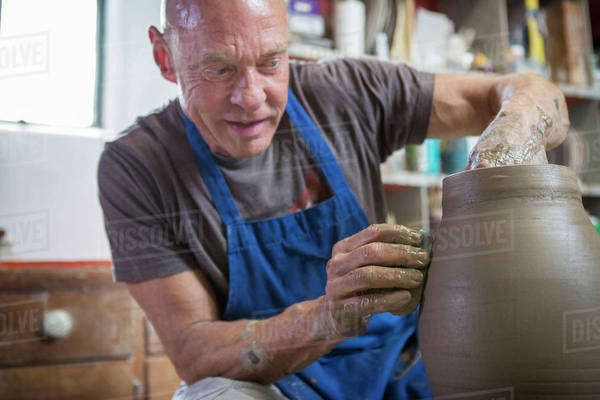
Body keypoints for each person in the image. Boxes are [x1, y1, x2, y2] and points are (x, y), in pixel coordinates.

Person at [97, 0, 570, 399]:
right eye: (219, 68)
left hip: (404, 359)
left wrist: (509, 136)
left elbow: (530, 92)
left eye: (270, 62)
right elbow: (193, 352)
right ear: (165, 57)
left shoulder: (345, 94)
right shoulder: (138, 166)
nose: (250, 96)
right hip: (278, 382)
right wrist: (326, 317)